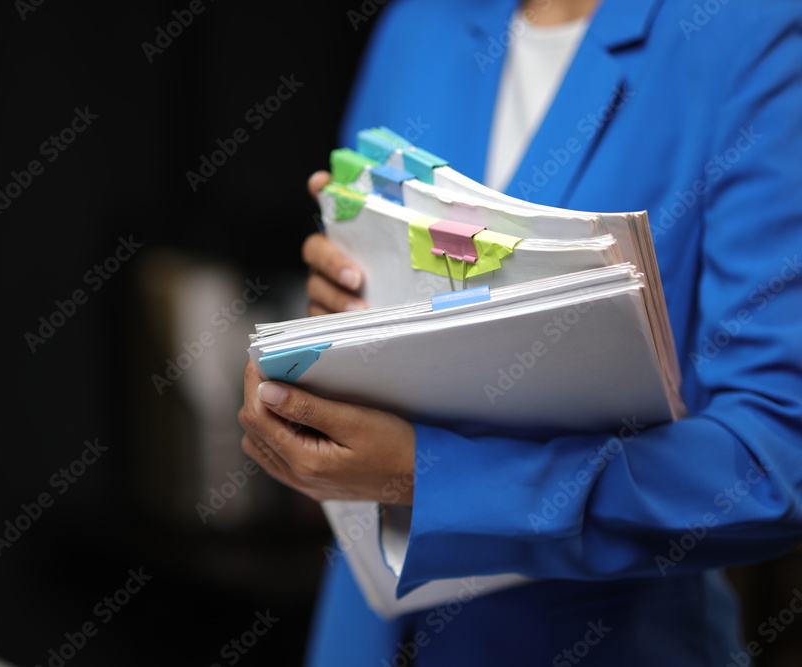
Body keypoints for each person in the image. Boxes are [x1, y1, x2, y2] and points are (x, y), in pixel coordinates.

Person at [238, 0, 802, 664]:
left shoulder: (750, 33)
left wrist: (431, 479)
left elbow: (773, 461)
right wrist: (332, 330)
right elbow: (379, 292)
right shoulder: (418, 25)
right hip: (361, 636)